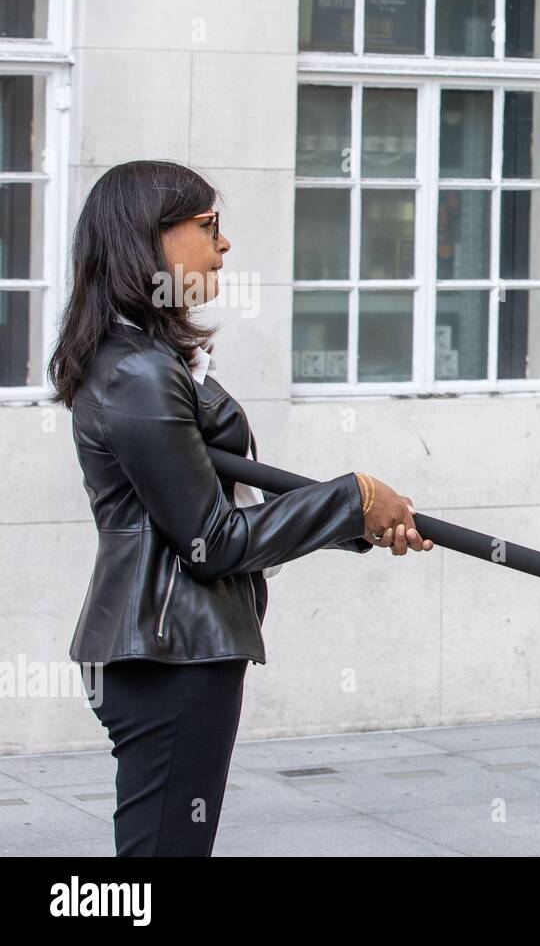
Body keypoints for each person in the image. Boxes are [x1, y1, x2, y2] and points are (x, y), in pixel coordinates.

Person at [48, 160, 433, 856]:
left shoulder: (145, 357)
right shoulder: (137, 370)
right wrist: (353, 499)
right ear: (150, 239)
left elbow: (224, 500)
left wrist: (358, 519)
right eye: (207, 226)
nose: (223, 245)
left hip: (168, 647)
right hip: (171, 653)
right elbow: (211, 539)